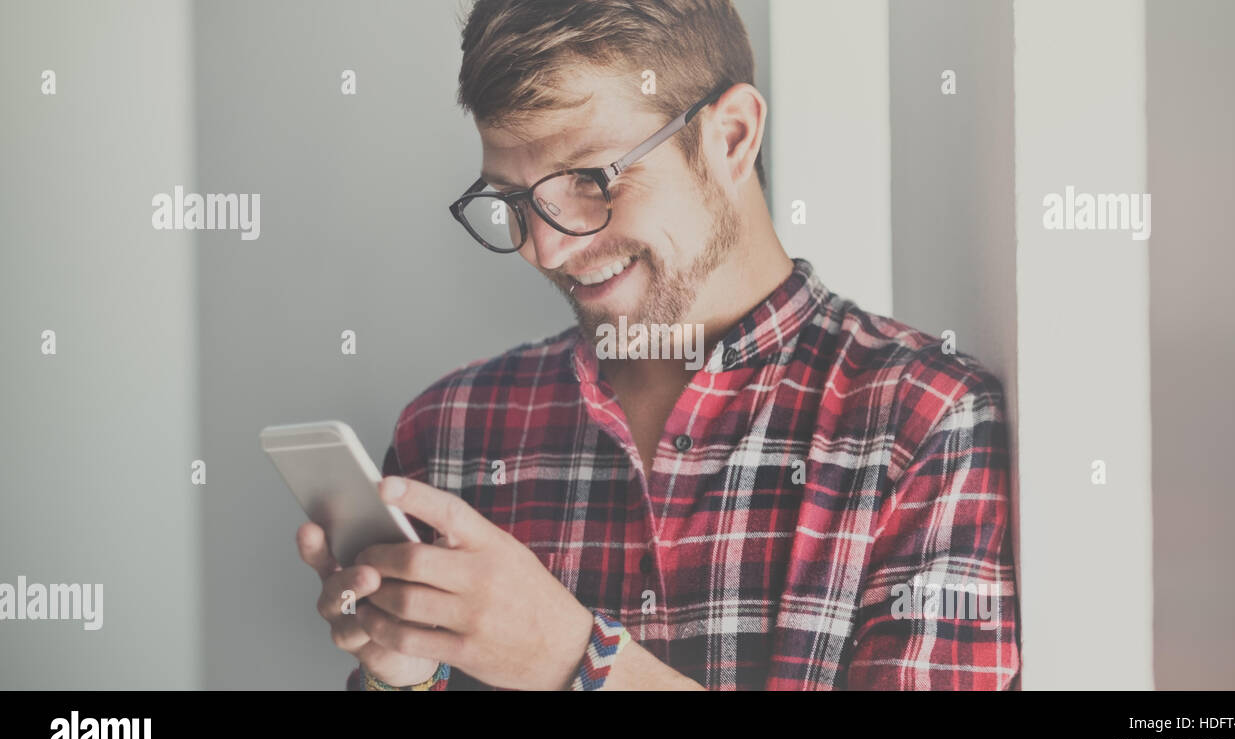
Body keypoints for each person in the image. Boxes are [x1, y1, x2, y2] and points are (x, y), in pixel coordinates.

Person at [297, 0, 1020, 691]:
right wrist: (401, 674)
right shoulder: (448, 431)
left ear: (731, 136)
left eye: (588, 179)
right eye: (515, 201)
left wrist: (571, 658)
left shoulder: (924, 424)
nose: (546, 248)